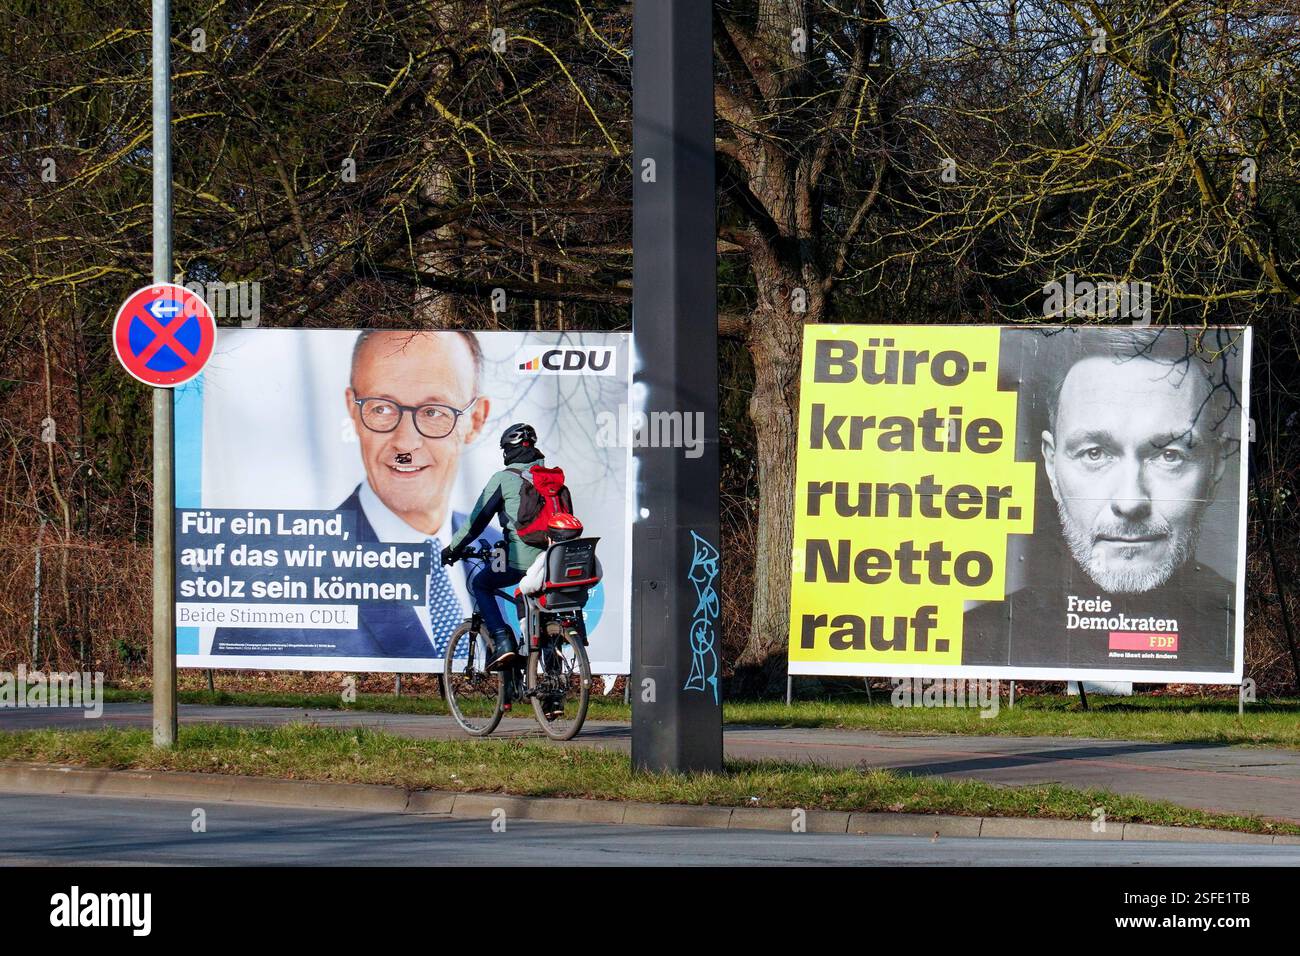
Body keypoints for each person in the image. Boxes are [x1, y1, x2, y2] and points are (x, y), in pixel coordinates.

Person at [963, 331, 1239, 671]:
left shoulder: (1242, 631)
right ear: (1051, 466)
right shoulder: (976, 644)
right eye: (1094, 453)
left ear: (1216, 467)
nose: (1129, 500)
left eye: (1170, 455)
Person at [211, 330, 493, 660]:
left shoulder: (512, 555)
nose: (406, 443)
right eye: (383, 409)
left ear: (475, 419)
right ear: (354, 410)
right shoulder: (277, 583)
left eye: (433, 412)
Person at [442, 422, 557, 670]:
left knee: (481, 583)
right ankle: (548, 680)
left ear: (508, 451)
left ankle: (502, 640)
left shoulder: (504, 479)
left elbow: (477, 521)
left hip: (524, 560)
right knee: (529, 601)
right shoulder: (550, 478)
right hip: (555, 559)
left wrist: (452, 549)